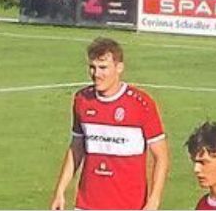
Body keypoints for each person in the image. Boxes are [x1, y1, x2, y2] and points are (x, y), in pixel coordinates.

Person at [51, 37, 169, 210]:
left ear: (119, 68)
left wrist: (154, 200)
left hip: (129, 205)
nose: (96, 74)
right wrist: (60, 191)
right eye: (92, 67)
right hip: (87, 204)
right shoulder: (82, 100)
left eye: (103, 68)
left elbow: (161, 156)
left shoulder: (141, 104)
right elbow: (76, 148)